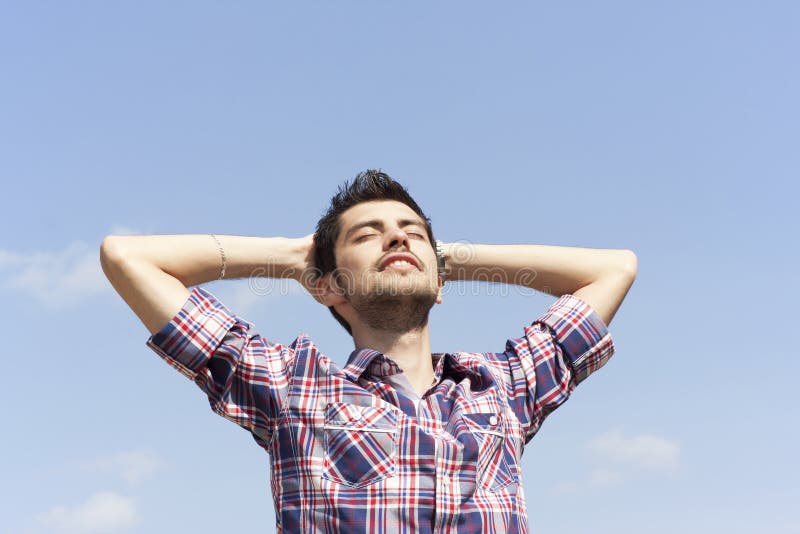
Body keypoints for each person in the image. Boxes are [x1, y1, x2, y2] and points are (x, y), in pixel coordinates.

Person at [100, 170, 637, 533]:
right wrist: (297, 256)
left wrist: (442, 259)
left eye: (412, 233)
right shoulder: (291, 385)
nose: (398, 240)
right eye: (367, 235)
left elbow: (614, 269)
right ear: (327, 286)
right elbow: (129, 259)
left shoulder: (504, 387)